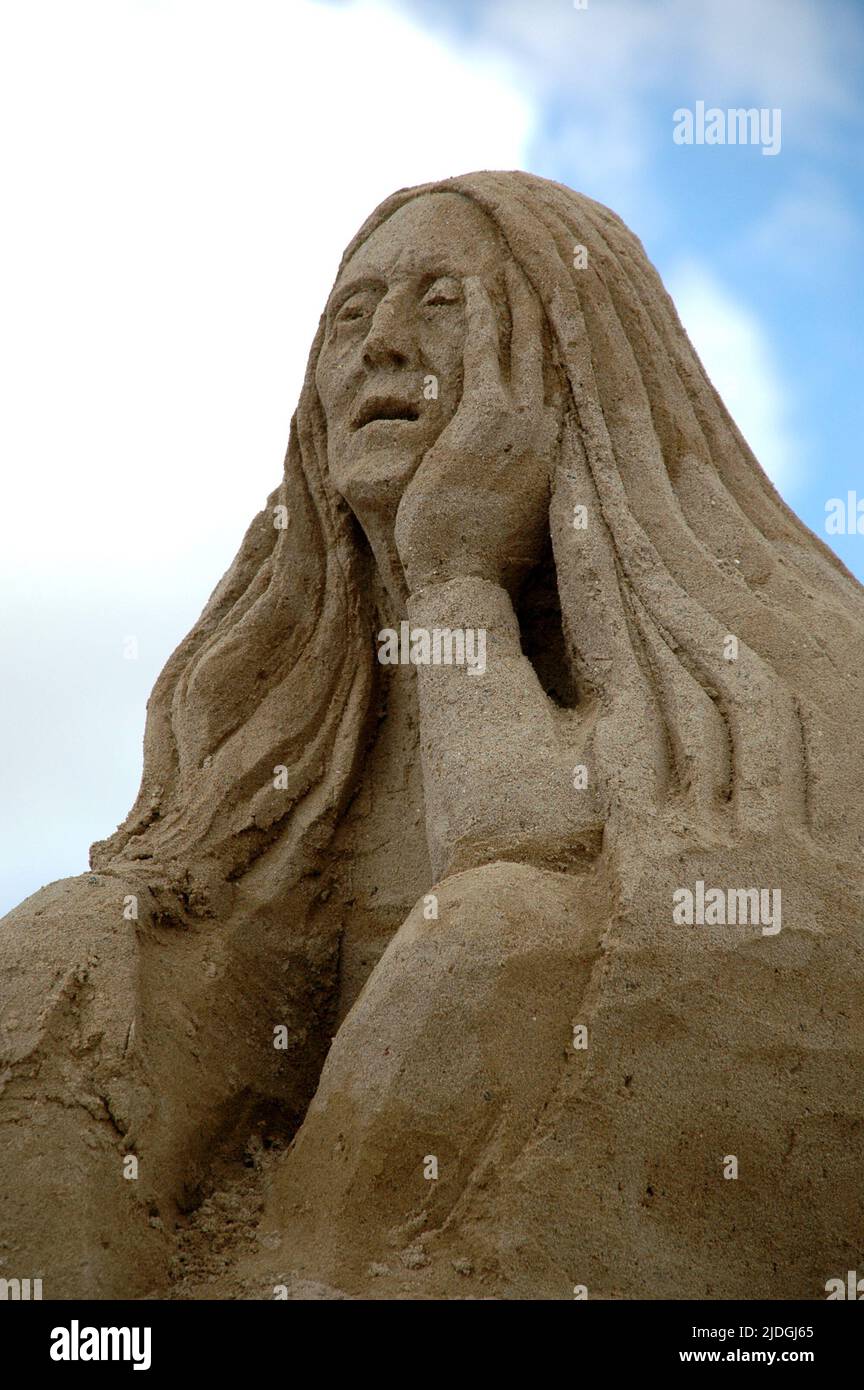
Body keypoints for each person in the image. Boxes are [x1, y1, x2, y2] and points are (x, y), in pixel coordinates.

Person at [3, 172, 862, 1299]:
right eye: (352, 316)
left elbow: (520, 847)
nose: (385, 345)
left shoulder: (748, 658)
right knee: (67, 939)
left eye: (443, 303)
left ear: (567, 370)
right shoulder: (286, 698)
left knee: (497, 933)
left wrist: (456, 575)